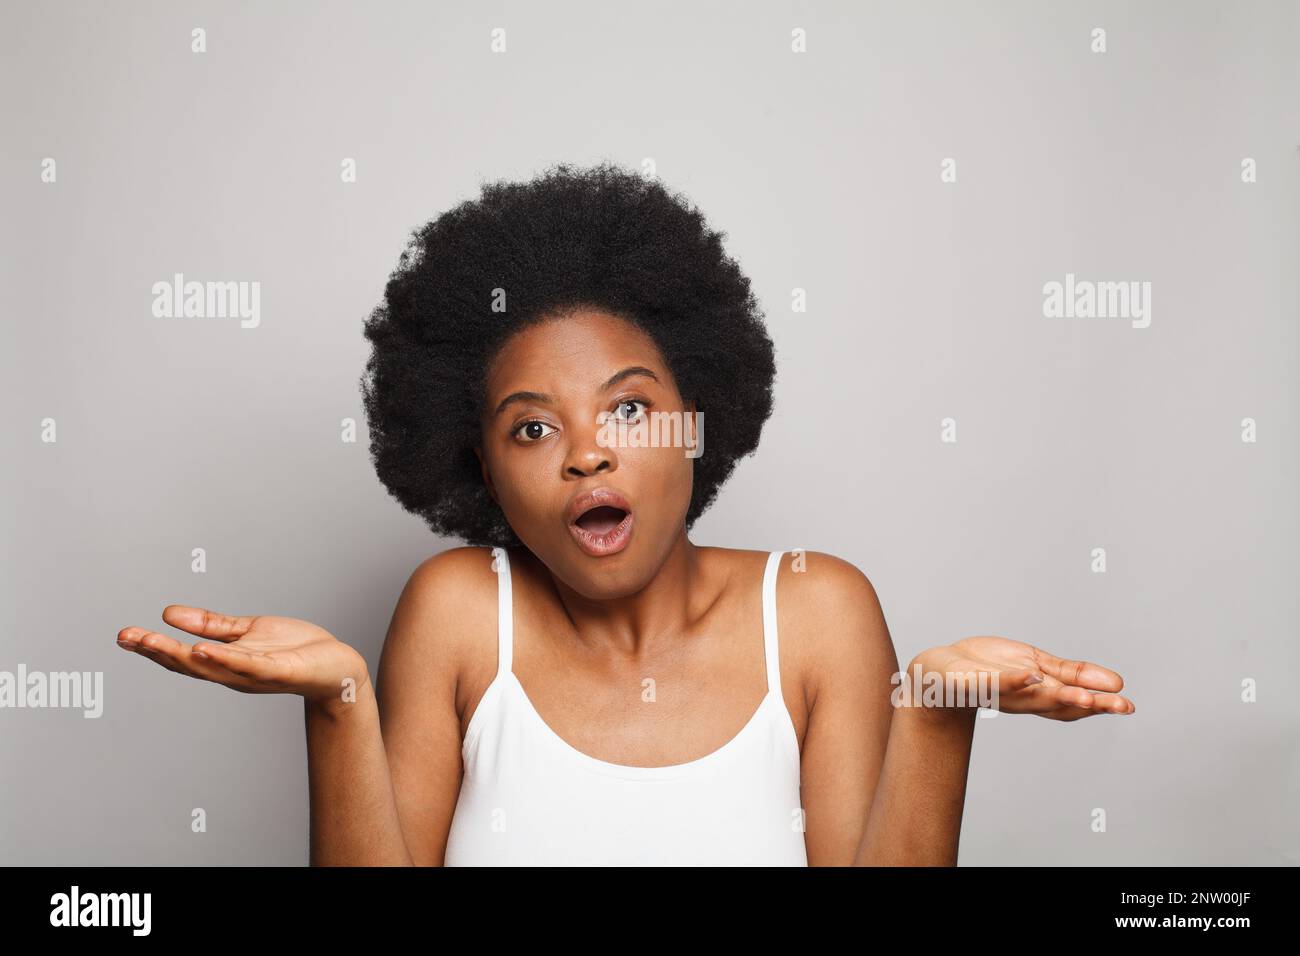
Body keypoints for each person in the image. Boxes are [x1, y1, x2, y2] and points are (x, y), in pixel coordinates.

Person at [115, 161, 1135, 866]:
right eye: (530, 428)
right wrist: (338, 701)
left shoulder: (817, 611)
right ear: (482, 466)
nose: (589, 450)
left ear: (696, 419)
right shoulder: (462, 610)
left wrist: (936, 718)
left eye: (630, 408)